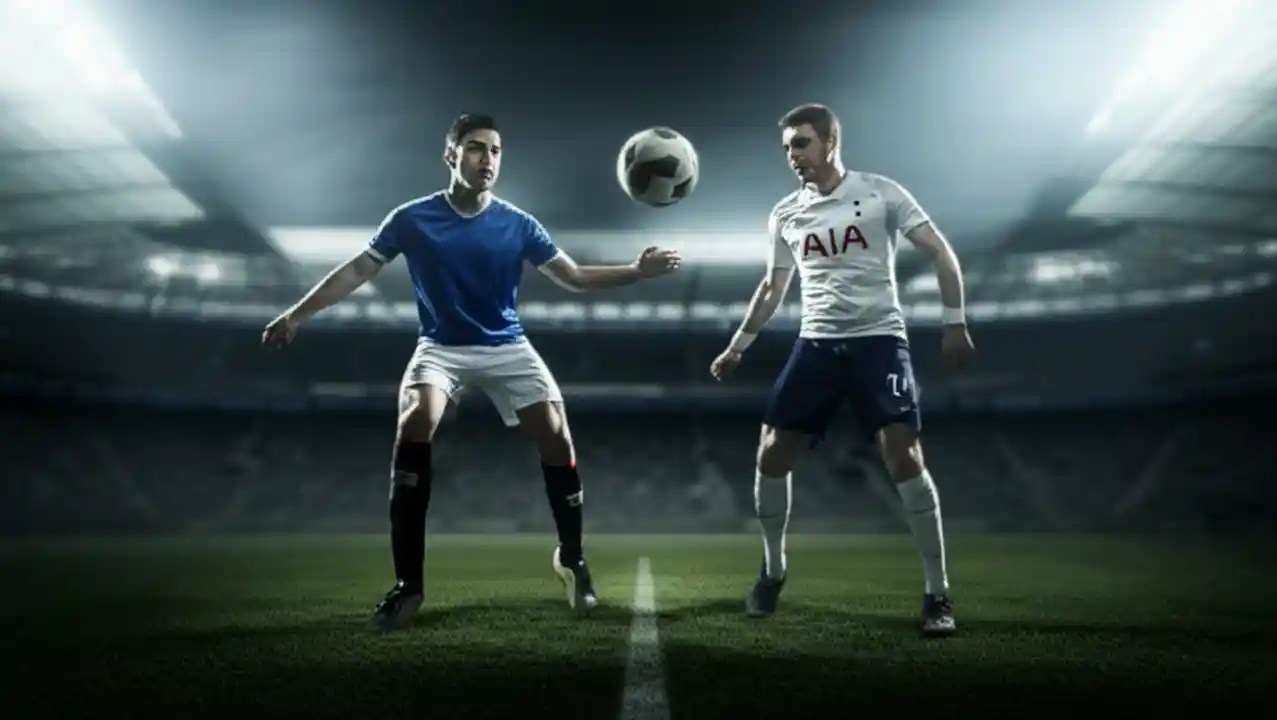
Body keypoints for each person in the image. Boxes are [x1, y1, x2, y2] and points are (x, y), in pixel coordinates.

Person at [262, 113, 681, 631]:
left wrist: (638, 272)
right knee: (415, 421)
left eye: (497, 151)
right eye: (478, 148)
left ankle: (571, 558)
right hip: (440, 346)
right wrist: (296, 314)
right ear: (452, 155)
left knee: (556, 439)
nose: (489, 159)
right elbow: (356, 270)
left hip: (507, 345)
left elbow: (573, 277)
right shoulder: (411, 218)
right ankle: (407, 586)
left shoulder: (518, 223)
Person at [709, 103, 974, 636]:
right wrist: (738, 346)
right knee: (770, 452)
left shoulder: (881, 192)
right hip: (818, 345)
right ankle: (774, 569)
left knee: (902, 452)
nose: (793, 157)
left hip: (879, 341)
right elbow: (772, 287)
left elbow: (941, 252)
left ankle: (937, 594)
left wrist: (955, 322)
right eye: (786, 148)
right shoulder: (785, 213)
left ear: (831, 141)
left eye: (801, 144)